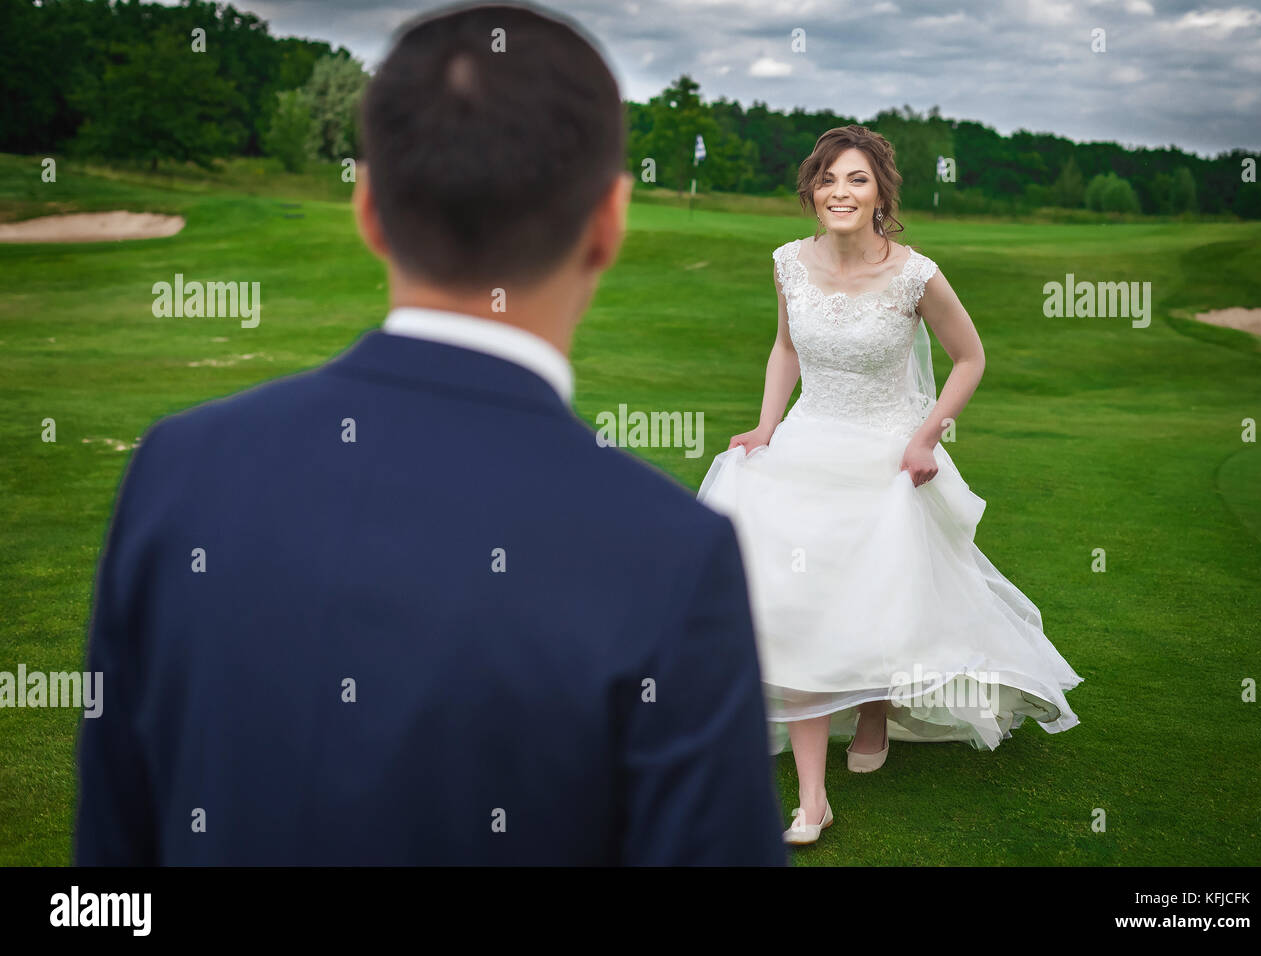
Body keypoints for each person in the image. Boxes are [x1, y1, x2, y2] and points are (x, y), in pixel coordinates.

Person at [75, 1, 786, 866]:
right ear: (610, 221)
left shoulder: (177, 467)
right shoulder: (676, 555)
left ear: (367, 208)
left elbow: (109, 868)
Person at [697, 125, 1082, 846]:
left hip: (886, 449)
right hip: (810, 441)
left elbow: (969, 358)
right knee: (796, 606)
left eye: (857, 181)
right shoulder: (787, 262)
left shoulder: (915, 274)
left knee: (872, 590)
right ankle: (812, 800)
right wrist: (764, 427)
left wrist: (925, 434)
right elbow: (785, 348)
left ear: (880, 196)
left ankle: (872, 710)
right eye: (827, 180)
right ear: (812, 191)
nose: (839, 193)